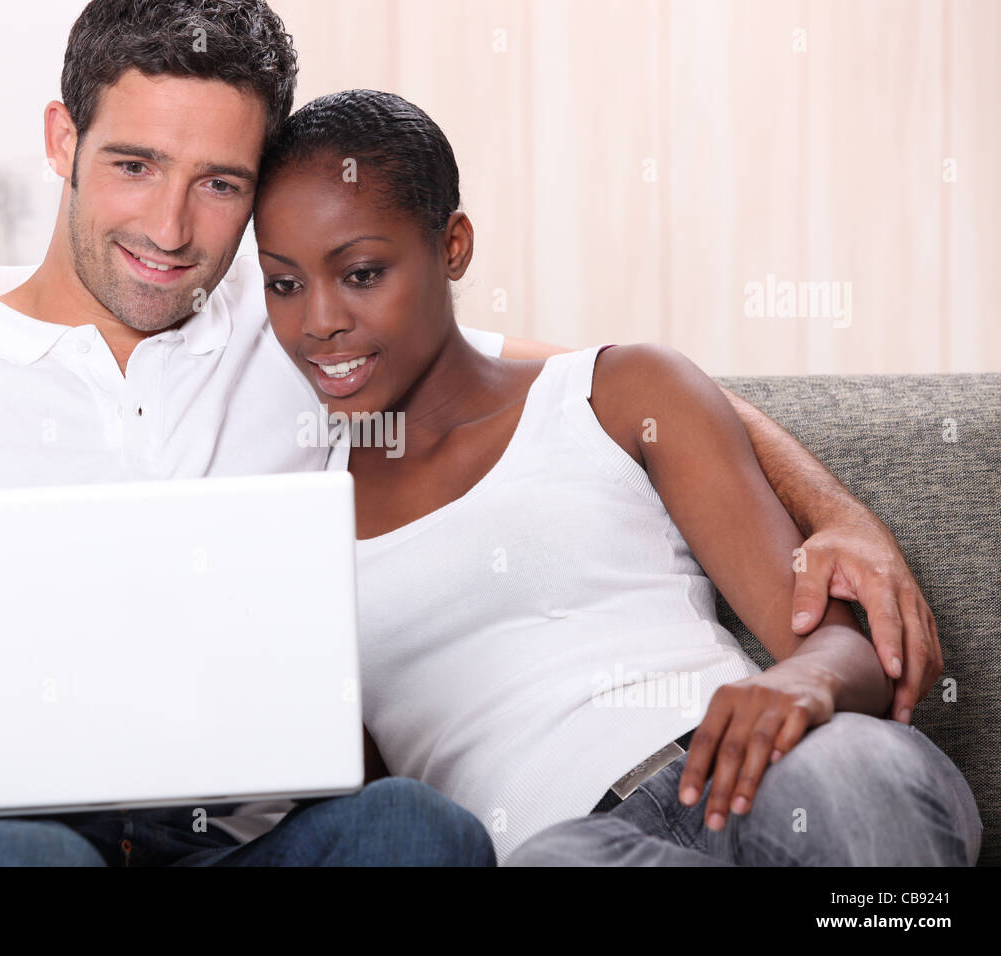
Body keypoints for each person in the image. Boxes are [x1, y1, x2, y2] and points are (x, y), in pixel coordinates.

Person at [0, 0, 946, 866]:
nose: (172, 227)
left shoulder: (296, 335)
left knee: (419, 831)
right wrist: (6, 766)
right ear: (61, 142)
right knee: (30, 852)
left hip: (208, 849)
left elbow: (597, 382)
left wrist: (834, 516)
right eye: (134, 164)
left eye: (220, 183)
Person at [250, 88, 983, 865]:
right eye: (284, 284)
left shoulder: (616, 395)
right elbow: (361, 809)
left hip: (758, 773)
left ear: (453, 246)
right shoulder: (306, 518)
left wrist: (802, 685)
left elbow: (847, 654)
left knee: (855, 773)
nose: (318, 320)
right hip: (564, 849)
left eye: (361, 274)